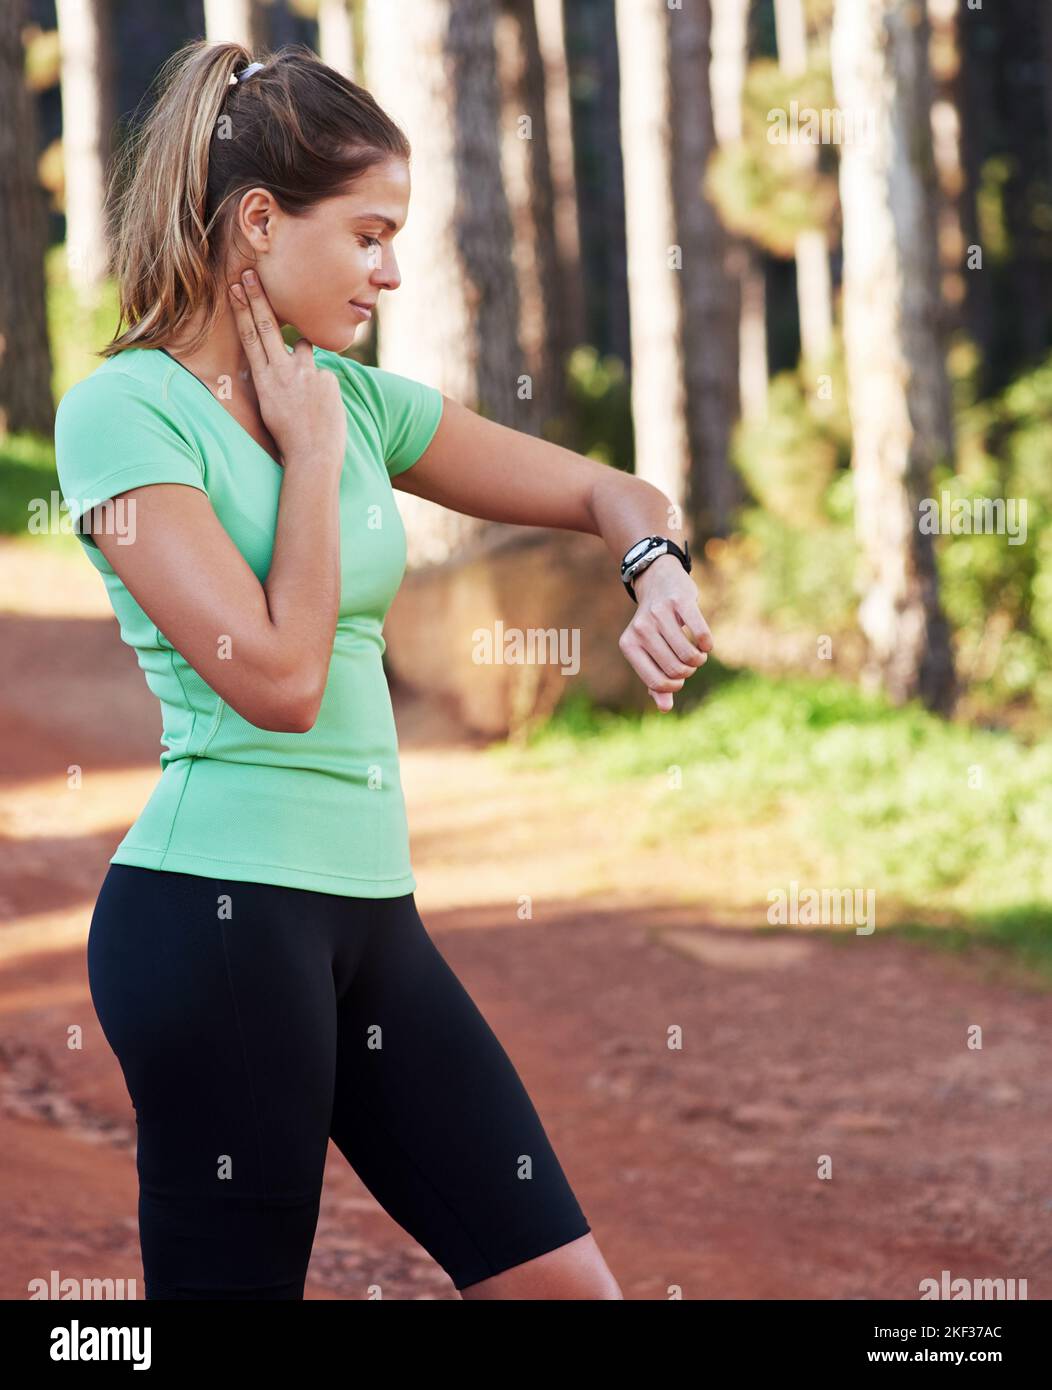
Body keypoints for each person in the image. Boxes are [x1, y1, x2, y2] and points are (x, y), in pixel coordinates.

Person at [54, 38, 712, 1301]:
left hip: (374, 924)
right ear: (257, 222)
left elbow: (598, 485)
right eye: (366, 233)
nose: (391, 269)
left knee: (565, 1288)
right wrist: (303, 456)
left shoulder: (352, 403)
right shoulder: (123, 415)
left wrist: (654, 561)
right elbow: (280, 679)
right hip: (214, 922)